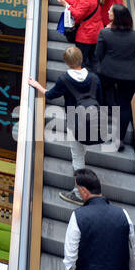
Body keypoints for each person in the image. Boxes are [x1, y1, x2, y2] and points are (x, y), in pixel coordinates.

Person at [26, 46, 104, 205]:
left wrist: (36, 85)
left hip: (75, 122)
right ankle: (81, 184)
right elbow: (101, 100)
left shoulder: (64, 79)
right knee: (82, 151)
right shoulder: (95, 78)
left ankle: (78, 192)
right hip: (93, 120)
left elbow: (50, 95)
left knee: (77, 157)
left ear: (66, 62)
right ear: (81, 59)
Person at [62, 168, 135, 270]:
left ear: (84, 191)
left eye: (77, 189)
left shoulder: (78, 216)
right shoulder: (123, 214)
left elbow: (71, 251)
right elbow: (134, 250)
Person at [93, 4, 135, 152]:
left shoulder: (105, 33)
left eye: (110, 10)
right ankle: (119, 139)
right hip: (130, 76)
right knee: (124, 105)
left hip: (108, 73)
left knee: (102, 96)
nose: (108, 11)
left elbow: (98, 55)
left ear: (115, 16)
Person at [53, 0, 104, 70]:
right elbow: (75, 1)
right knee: (94, 61)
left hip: (86, 35)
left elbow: (77, 15)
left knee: (82, 62)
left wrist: (66, 5)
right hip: (96, 33)